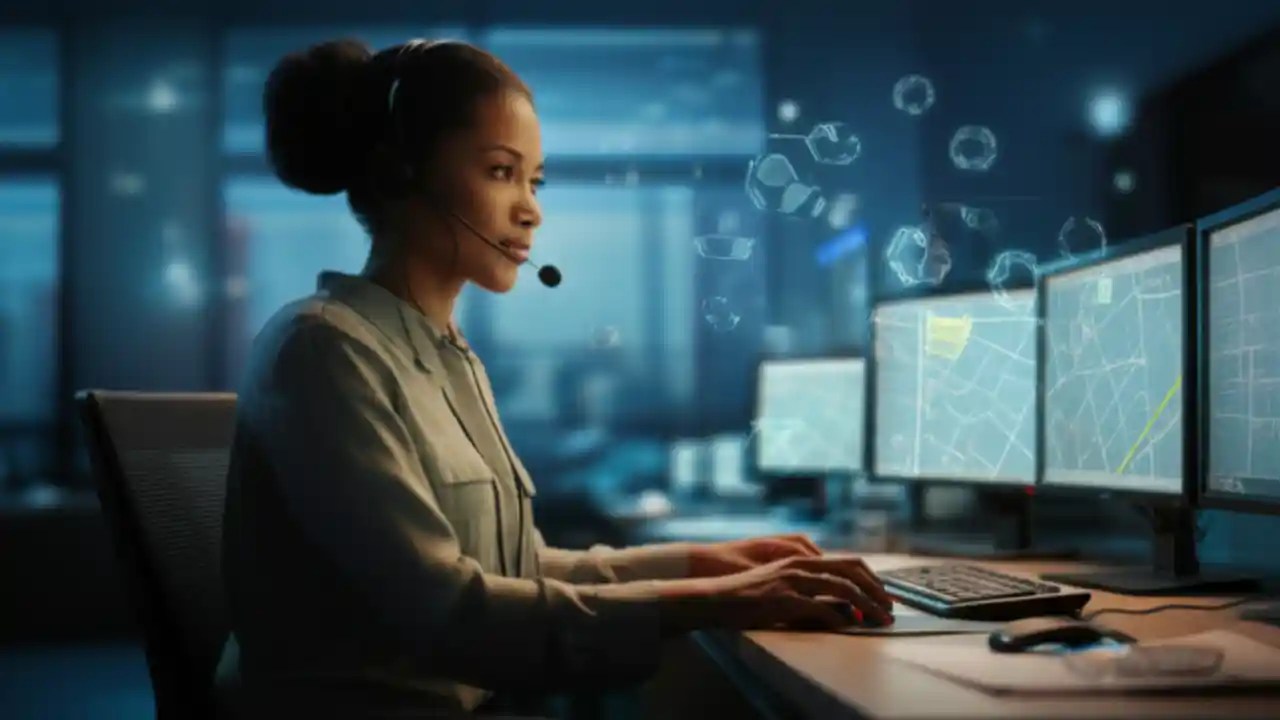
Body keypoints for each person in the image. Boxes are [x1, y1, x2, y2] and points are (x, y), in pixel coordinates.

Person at [214, 37, 893, 718]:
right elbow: (451, 615)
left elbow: (517, 568)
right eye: (501, 171)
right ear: (401, 169)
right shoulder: (324, 351)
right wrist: (712, 601)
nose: (532, 209)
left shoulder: (447, 352)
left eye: (534, 181)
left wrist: (709, 564)